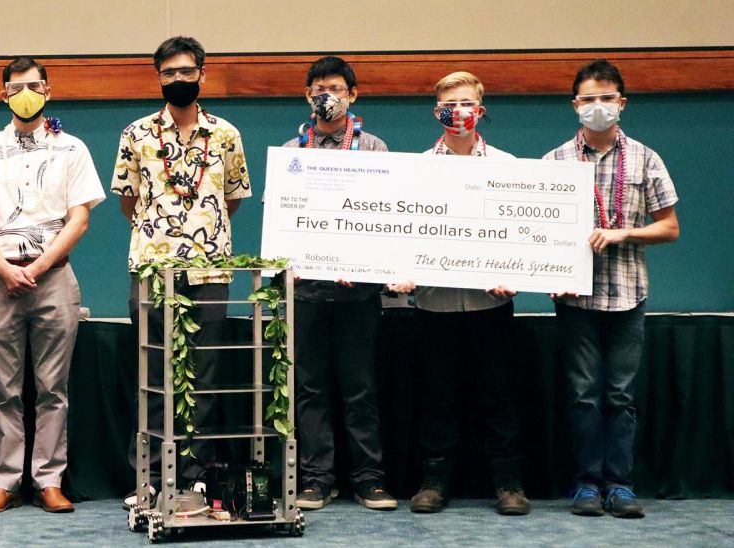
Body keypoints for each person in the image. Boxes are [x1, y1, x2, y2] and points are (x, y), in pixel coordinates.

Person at [0, 57, 105, 514]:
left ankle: (48, 480)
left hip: (55, 277)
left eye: (35, 85)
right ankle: (4, 481)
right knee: (3, 388)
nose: (27, 92)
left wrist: (39, 266)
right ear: (3, 94)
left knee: (52, 388)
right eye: (17, 86)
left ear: (48, 90)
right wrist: (3, 266)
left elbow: (79, 217)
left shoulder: (72, 148)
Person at [113, 36, 251, 509]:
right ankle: (148, 479)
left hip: (210, 268)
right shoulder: (136, 134)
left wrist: (200, 235)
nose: (178, 80)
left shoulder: (227, 134)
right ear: (158, 78)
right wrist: (162, 238)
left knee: (205, 376)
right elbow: (127, 200)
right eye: (168, 73)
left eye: (186, 71)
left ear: (202, 74)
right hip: (152, 267)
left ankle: (197, 476)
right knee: (153, 374)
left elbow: (231, 199)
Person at [545, 59, 679, 519]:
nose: (597, 106)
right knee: (583, 392)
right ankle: (586, 485)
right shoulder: (555, 161)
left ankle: (620, 485)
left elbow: (670, 228)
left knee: (619, 394)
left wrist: (624, 233)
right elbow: (537, 231)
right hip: (575, 297)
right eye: (588, 99)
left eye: (607, 98)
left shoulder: (646, 157)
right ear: (574, 105)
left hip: (628, 293)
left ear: (621, 103)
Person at [281, 56, 400, 511]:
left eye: (335, 87)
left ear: (353, 94)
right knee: (309, 388)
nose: (325, 95)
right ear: (307, 95)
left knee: (360, 387)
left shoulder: (374, 148)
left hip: (358, 290)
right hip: (306, 289)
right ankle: (315, 478)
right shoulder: (292, 151)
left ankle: (369, 479)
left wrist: (366, 261)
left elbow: (385, 215)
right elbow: (285, 219)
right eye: (317, 88)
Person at [408, 71, 529, 516]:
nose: (457, 110)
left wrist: (512, 270)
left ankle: (509, 482)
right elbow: (403, 231)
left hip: (490, 302)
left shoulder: (508, 166)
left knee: (499, 395)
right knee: (437, 395)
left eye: (465, 102)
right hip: (434, 302)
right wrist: (401, 270)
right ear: (436, 111)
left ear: (480, 109)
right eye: (448, 103)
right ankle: (434, 481)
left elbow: (522, 234)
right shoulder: (415, 169)